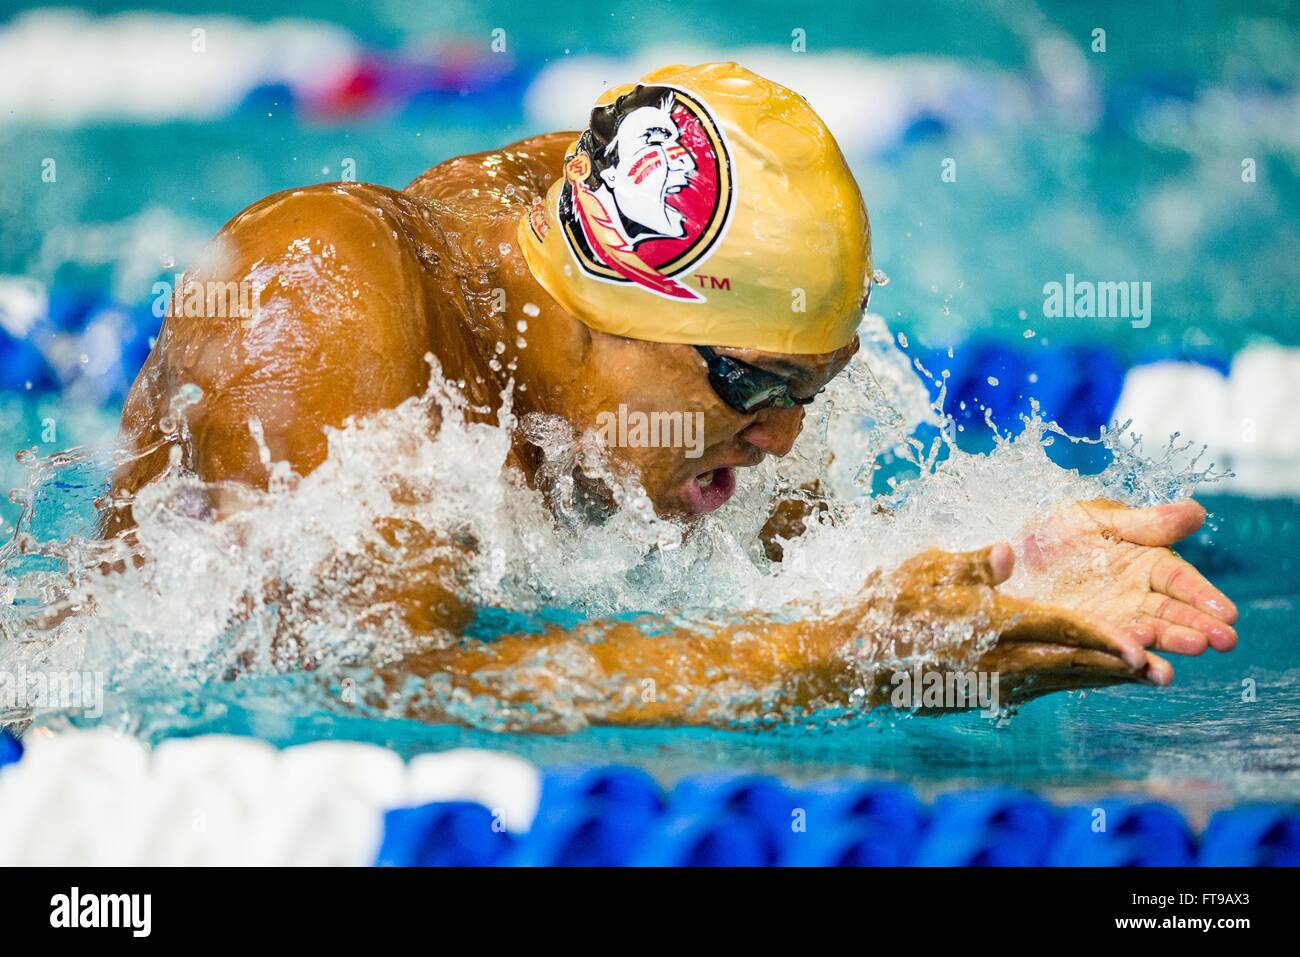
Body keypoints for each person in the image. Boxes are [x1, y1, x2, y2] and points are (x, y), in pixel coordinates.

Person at [104, 62, 1237, 725]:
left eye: (815, 386)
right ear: (613, 312)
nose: (784, 439)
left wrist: (1000, 562)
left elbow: (783, 570)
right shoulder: (324, 290)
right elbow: (367, 680)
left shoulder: (609, 292)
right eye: (755, 382)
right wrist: (831, 665)